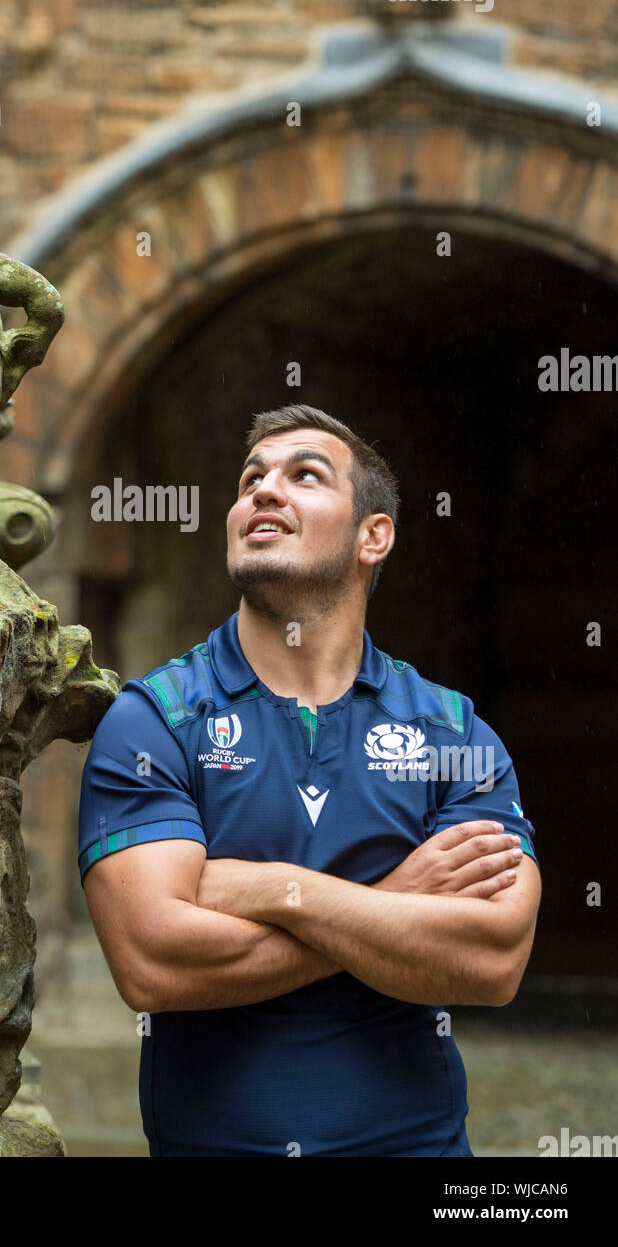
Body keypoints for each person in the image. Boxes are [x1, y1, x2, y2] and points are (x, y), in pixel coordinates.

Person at [78, 403, 540, 1157]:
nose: (263, 490)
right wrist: (394, 906)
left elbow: (492, 961)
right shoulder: (153, 721)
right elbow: (153, 961)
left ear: (373, 537)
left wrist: (272, 891)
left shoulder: (453, 734)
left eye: (304, 475)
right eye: (251, 477)